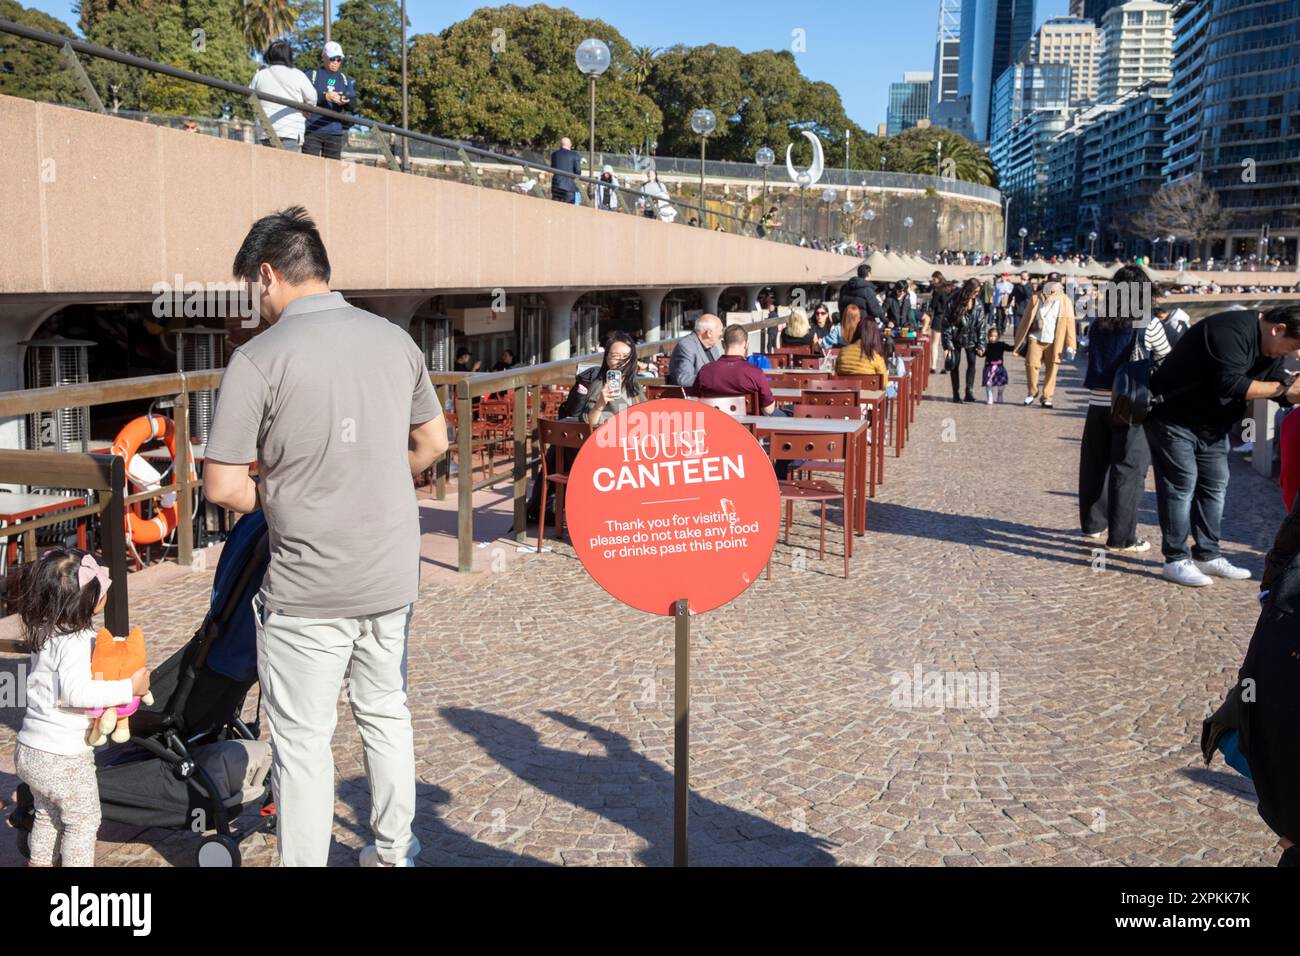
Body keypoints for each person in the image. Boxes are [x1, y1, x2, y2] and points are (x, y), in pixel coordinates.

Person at [204, 207, 448, 866]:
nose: (256, 303)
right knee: (385, 713)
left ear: (267, 274)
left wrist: (280, 497)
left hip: (306, 588)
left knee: (304, 742)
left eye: (254, 289)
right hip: (390, 574)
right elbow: (433, 443)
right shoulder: (394, 340)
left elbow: (223, 486)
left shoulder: (257, 359)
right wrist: (369, 477)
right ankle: (395, 853)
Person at [12, 549, 150, 868]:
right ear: (89, 600)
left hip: (31, 748)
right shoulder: (76, 640)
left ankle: (40, 863)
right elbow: (77, 692)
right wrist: (130, 688)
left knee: (48, 814)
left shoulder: (47, 630)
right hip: (62, 757)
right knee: (83, 821)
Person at [1145, 305, 1300, 587]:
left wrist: (1290, 390)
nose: (1292, 355)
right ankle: (1175, 559)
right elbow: (1229, 383)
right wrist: (1284, 389)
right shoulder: (1230, 330)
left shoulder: (1270, 347)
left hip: (1213, 426)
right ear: (1278, 329)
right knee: (1181, 486)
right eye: (1293, 347)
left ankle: (1207, 554)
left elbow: (1277, 387)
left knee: (1215, 486)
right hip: (1173, 417)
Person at [1077, 266, 1171, 554]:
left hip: (1097, 403)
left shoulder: (1098, 322)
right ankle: (1123, 537)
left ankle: (1093, 524)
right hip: (1131, 406)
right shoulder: (1148, 324)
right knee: (1128, 470)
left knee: (1094, 466)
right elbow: (1167, 358)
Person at [1013, 273, 1077, 408]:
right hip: (1035, 337)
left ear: (1060, 284)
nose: (1053, 285)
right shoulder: (1036, 297)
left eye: (1056, 282)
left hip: (1054, 340)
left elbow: (1070, 324)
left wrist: (1071, 344)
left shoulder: (1066, 301)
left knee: (1052, 368)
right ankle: (1032, 392)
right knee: (1031, 365)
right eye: (1051, 282)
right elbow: (1025, 318)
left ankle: (1047, 397)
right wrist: (1022, 334)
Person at [250, 39, 317, 152]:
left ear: (270, 55)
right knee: (288, 168)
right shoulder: (298, 74)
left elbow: (250, 98)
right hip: (290, 130)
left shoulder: (260, 75)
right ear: (288, 55)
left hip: (265, 130)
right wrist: (305, 109)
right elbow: (312, 98)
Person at [694, 323, 778, 414]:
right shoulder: (755, 372)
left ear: (723, 344)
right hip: (747, 426)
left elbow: (694, 401)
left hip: (715, 424)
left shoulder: (705, 371)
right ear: (746, 344)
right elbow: (768, 410)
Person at [301, 41, 354, 160]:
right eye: (332, 58)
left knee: (333, 171)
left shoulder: (344, 79)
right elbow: (303, 97)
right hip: (312, 129)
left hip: (335, 132)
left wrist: (345, 100)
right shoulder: (311, 75)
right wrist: (326, 97)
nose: (335, 62)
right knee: (309, 167)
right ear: (324, 56)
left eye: (339, 59)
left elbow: (353, 105)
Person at [942, 278, 989, 403]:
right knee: (954, 365)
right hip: (956, 337)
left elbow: (982, 325)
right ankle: (956, 393)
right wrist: (948, 344)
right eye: (974, 292)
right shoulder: (953, 301)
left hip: (971, 337)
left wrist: (981, 344)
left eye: (978, 292)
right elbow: (946, 323)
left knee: (972, 363)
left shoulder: (978, 303)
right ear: (968, 290)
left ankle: (969, 391)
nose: (976, 294)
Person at [583, 332, 643, 425]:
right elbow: (588, 422)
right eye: (615, 356)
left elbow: (647, 411)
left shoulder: (633, 384)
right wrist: (600, 403)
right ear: (607, 359)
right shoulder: (599, 385)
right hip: (607, 436)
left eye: (626, 357)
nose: (620, 361)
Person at [666, 313, 722, 388]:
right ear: (709, 333)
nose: (721, 334)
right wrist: (712, 380)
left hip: (713, 395)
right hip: (694, 397)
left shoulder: (713, 347)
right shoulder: (686, 345)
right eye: (720, 331)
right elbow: (684, 379)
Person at [835, 314, 890, 389]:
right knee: (892, 390)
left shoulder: (843, 352)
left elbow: (836, 373)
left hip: (846, 397)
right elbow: (884, 383)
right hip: (870, 397)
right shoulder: (875, 355)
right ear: (875, 334)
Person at [925, 272, 949, 374]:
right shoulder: (948, 289)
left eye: (934, 279)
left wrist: (928, 314)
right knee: (946, 344)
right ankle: (946, 366)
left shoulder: (937, 290)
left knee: (935, 343)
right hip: (947, 318)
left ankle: (934, 366)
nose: (933, 281)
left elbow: (933, 305)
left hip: (939, 317)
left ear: (938, 279)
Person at [981, 326, 1011, 404]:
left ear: (998, 337)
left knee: (1001, 384)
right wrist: (979, 352)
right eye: (991, 336)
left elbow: (1010, 348)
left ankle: (1000, 394)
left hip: (999, 368)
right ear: (988, 337)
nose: (993, 338)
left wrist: (1017, 346)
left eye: (995, 336)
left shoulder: (1001, 344)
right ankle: (990, 397)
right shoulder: (986, 346)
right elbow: (982, 354)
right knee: (989, 384)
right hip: (989, 368)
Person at [549, 137, 583, 205]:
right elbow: (578, 171)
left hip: (556, 185)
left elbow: (552, 168)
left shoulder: (554, 154)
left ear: (560, 144)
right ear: (570, 145)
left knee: (555, 206)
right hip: (569, 187)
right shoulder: (575, 155)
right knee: (568, 208)